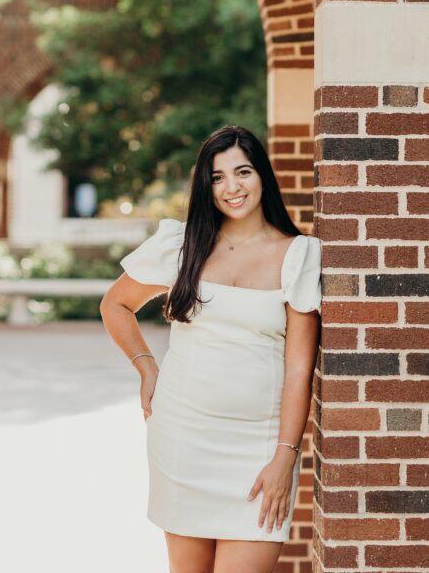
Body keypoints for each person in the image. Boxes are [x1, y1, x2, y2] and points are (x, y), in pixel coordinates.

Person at [100, 125, 322, 573]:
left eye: (242, 172)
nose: (231, 187)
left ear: (262, 176)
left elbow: (300, 369)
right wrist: (147, 369)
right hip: (182, 439)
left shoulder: (297, 255)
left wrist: (285, 455)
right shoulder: (184, 246)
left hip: (258, 448)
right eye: (217, 177)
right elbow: (116, 304)